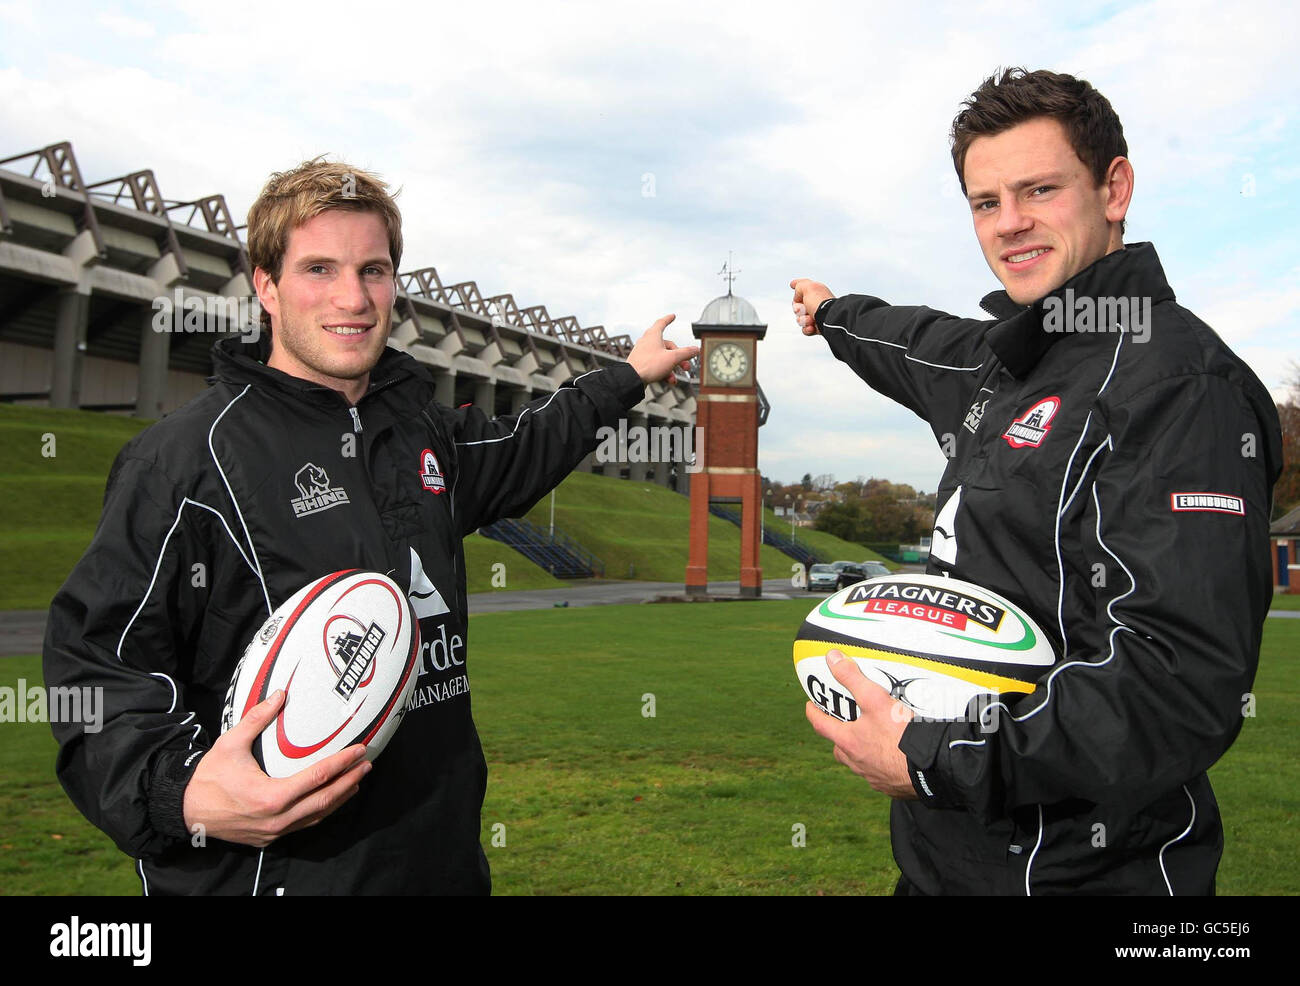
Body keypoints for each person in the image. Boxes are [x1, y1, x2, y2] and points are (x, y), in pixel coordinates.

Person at [42, 158, 697, 895]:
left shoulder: (423, 434)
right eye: (319, 268)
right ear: (266, 286)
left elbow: (531, 443)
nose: (353, 298)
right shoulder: (185, 463)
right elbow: (97, 671)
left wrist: (628, 379)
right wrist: (182, 790)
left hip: (440, 870)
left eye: (374, 270)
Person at [790, 68, 1281, 895]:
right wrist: (833, 315)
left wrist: (940, 759)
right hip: (942, 866)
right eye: (986, 203)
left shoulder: (1180, 387)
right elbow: (909, 339)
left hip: (1085, 875)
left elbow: (1177, 681)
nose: (1009, 224)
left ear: (1114, 188)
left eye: (1040, 190)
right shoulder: (1008, 364)